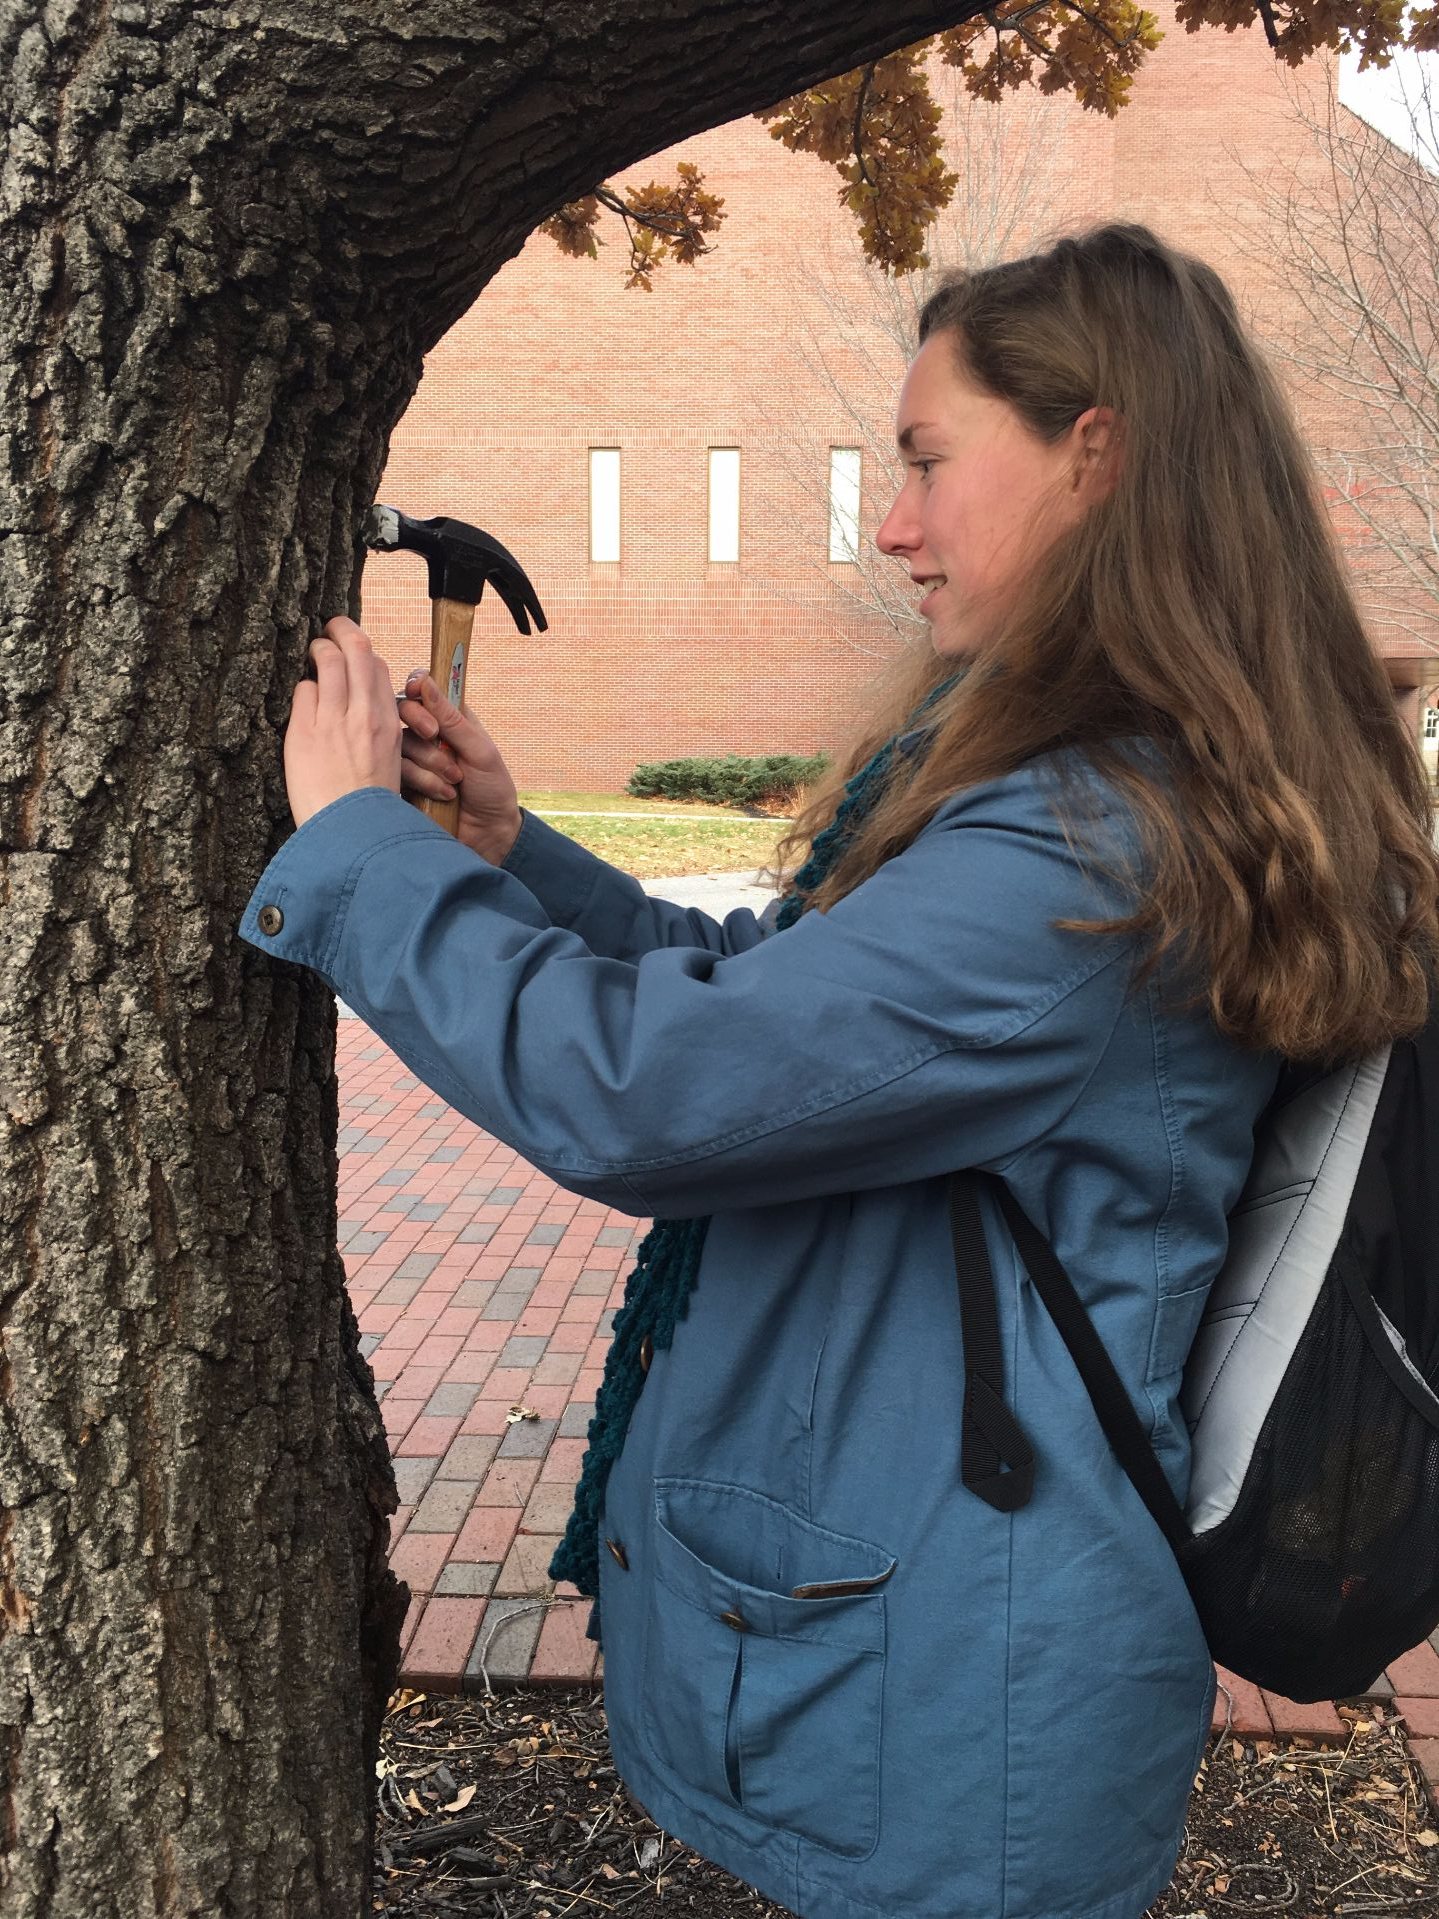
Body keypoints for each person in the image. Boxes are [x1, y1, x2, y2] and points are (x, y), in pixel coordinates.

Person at [241, 221, 1439, 1919]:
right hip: (974, 1648)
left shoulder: (1087, 854)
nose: (892, 524)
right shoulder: (1131, 796)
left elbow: (656, 1091)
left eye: (930, 462)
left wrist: (367, 860)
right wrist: (511, 855)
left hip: (973, 1689)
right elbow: (789, 1011)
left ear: (1095, 450)